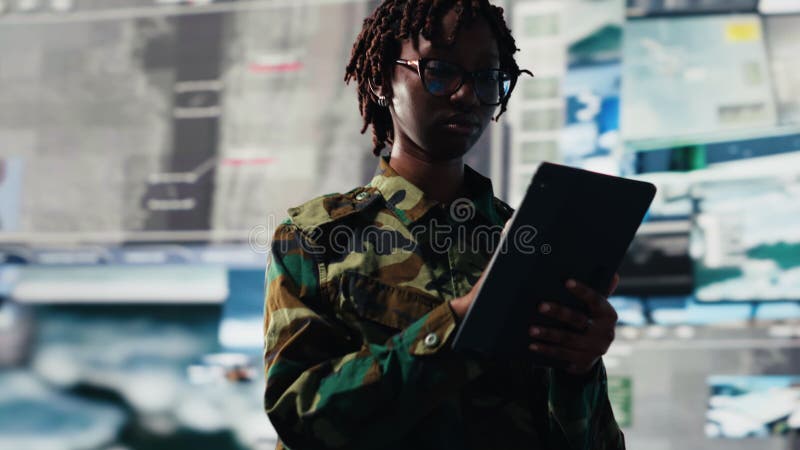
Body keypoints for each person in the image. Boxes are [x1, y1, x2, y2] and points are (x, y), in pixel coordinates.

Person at [262, 1, 625, 449]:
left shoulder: (529, 243)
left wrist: (581, 370)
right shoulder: (317, 239)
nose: (466, 95)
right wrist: (456, 322)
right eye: (439, 70)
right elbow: (300, 416)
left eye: (487, 77)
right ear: (380, 80)